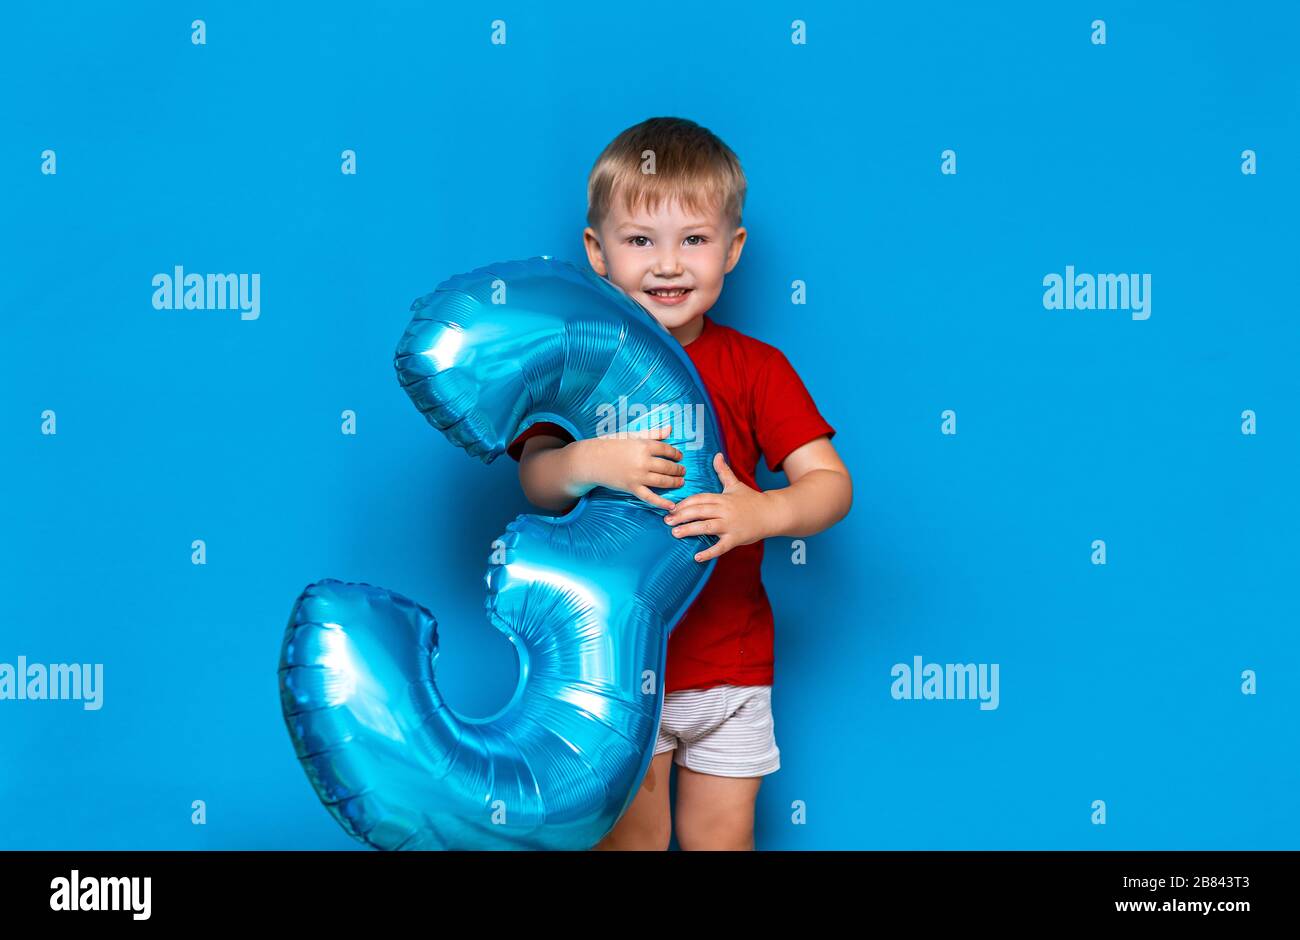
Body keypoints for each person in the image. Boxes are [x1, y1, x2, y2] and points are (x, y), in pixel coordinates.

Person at [507, 116, 852, 850]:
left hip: (729, 667)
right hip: (616, 666)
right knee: (629, 840)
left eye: (693, 240)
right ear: (597, 252)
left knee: (722, 838)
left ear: (732, 249)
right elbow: (538, 483)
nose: (668, 265)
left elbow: (830, 486)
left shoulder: (758, 369)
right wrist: (587, 462)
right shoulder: (580, 368)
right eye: (640, 241)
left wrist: (765, 512)